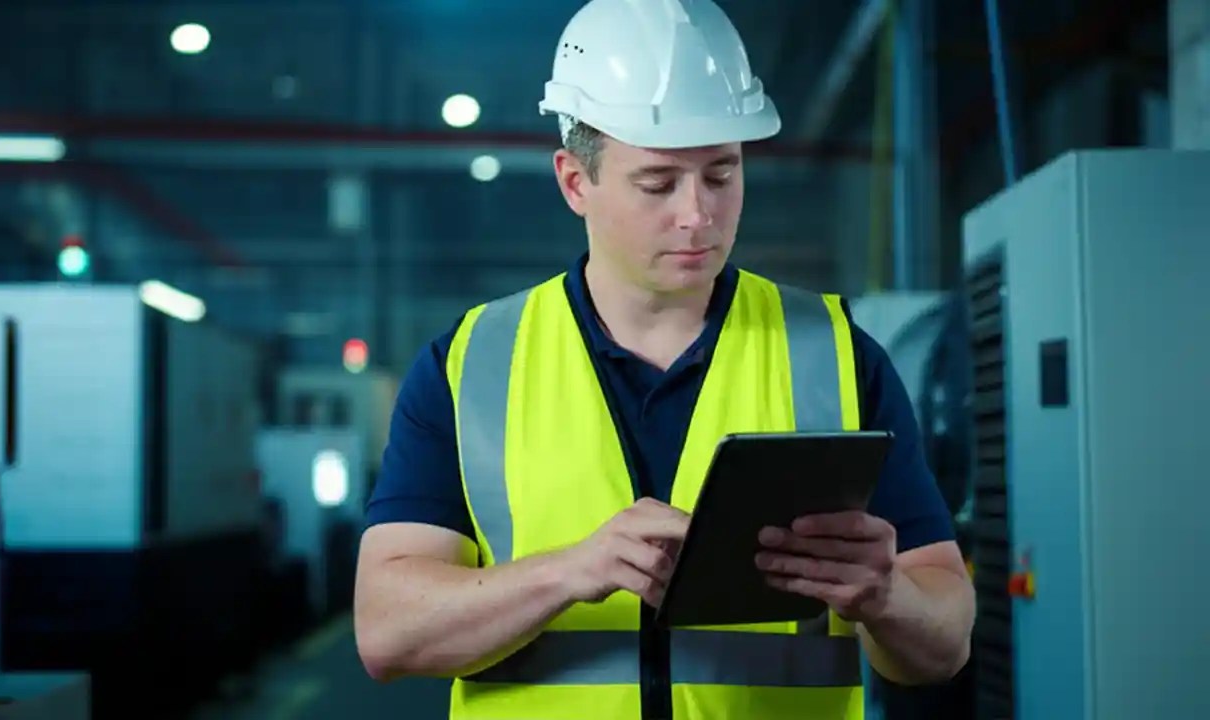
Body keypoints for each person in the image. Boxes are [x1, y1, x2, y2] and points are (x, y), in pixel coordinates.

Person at [354, 0, 975, 718]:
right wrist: (572, 570)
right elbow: (386, 631)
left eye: (721, 174)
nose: (697, 216)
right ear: (574, 181)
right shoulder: (470, 366)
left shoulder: (837, 356)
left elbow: (946, 643)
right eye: (658, 184)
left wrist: (887, 597)